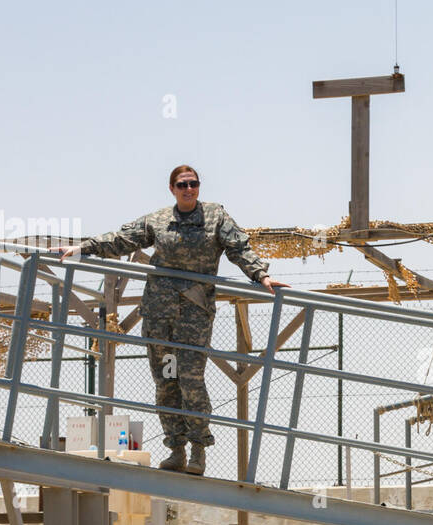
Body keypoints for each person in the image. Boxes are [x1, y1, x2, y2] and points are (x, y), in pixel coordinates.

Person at [56, 165, 288, 475]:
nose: (189, 189)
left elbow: (239, 249)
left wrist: (261, 274)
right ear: (172, 188)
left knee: (192, 381)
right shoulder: (159, 220)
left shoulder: (215, 216)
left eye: (193, 184)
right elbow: (122, 239)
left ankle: (197, 451)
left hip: (193, 315)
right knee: (166, 382)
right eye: (182, 184)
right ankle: (175, 449)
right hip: (159, 313)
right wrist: (80, 249)